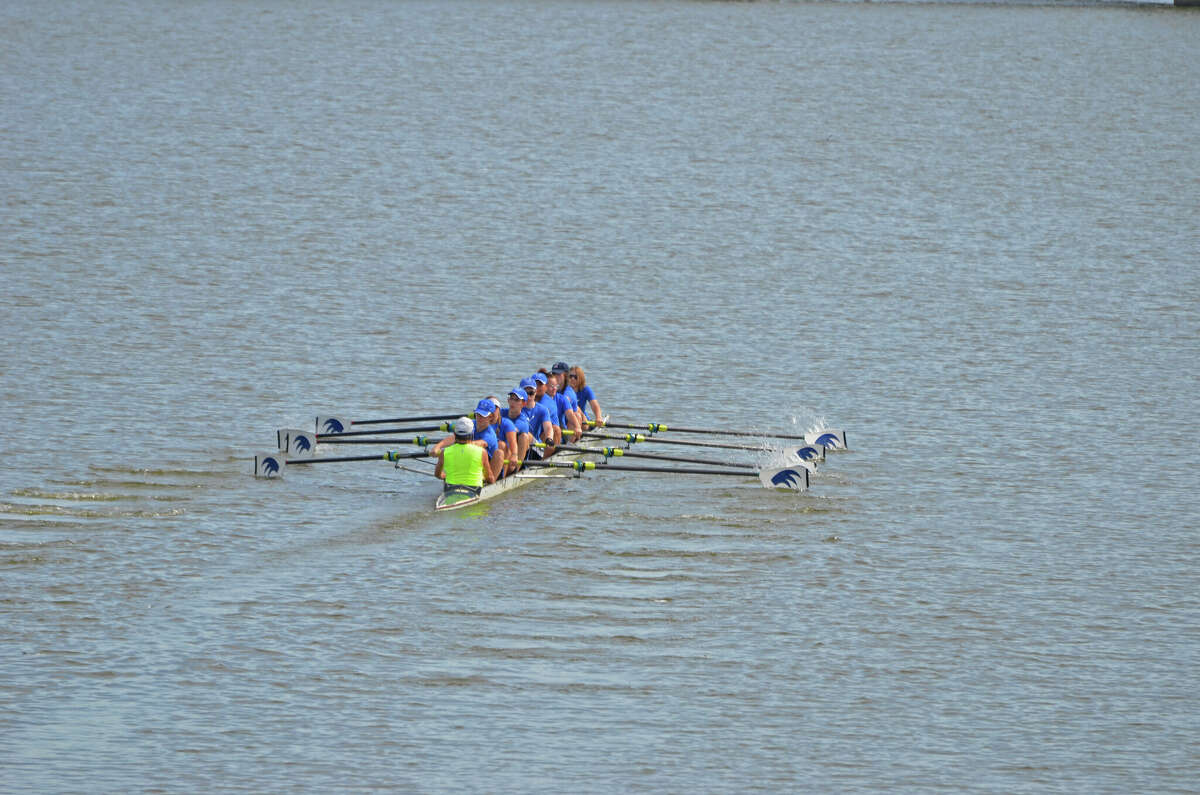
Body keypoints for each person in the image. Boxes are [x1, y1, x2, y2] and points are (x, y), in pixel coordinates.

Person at [434, 417, 495, 493]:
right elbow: (489, 477)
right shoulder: (482, 452)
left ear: (455, 434)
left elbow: (437, 474)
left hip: (451, 489)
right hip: (474, 490)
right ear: (472, 433)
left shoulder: (444, 452)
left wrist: (444, 476)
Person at [520, 376, 556, 458]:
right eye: (526, 393)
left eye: (531, 393)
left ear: (535, 393)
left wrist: (549, 439)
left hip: (536, 447)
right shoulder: (516, 408)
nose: (528, 396)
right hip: (519, 445)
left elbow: (548, 428)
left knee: (525, 435)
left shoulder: (542, 410)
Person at [550, 361, 584, 440]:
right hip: (553, 425)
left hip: (565, 428)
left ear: (565, 375)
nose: (555, 377)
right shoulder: (551, 390)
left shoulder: (568, 393)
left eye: (558, 374)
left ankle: (570, 443)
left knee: (577, 415)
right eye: (553, 374)